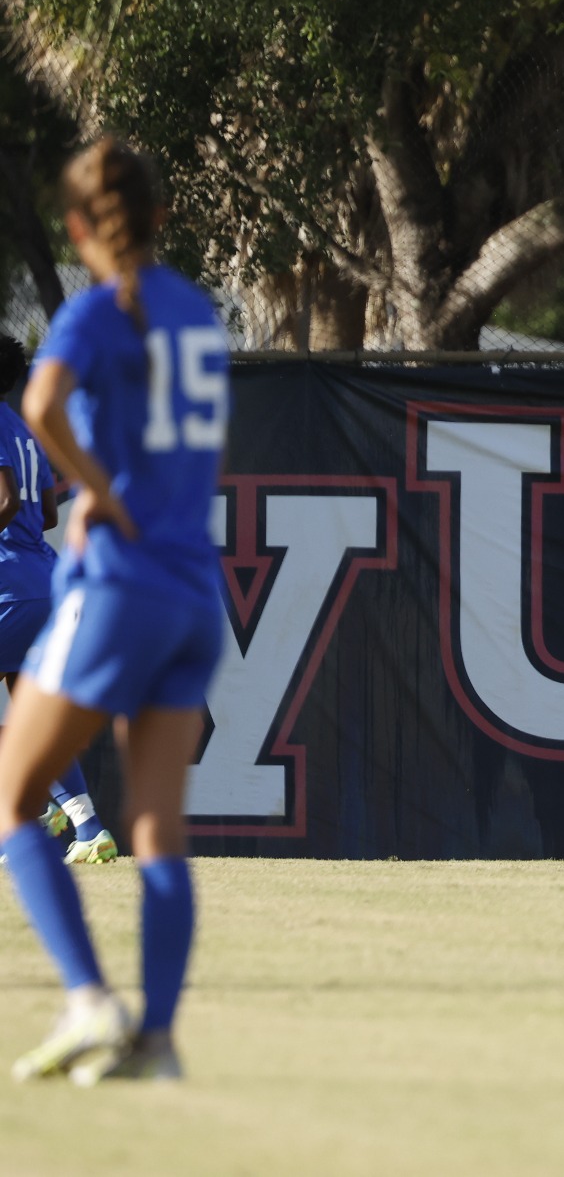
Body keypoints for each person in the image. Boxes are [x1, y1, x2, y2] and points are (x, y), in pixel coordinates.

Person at [0, 138, 229, 1084]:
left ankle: (90, 998)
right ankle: (159, 1038)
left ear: (76, 227)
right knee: (157, 828)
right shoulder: (198, 313)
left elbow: (42, 403)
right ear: (162, 215)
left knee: (14, 798)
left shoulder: (96, 311)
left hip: (120, 585)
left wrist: (97, 490)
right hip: (195, 591)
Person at [0, 334, 115, 864]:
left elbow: (5, 500)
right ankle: (86, 827)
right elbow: (46, 513)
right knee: (32, 714)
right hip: (41, 583)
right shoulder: (24, 428)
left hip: (7, 587)